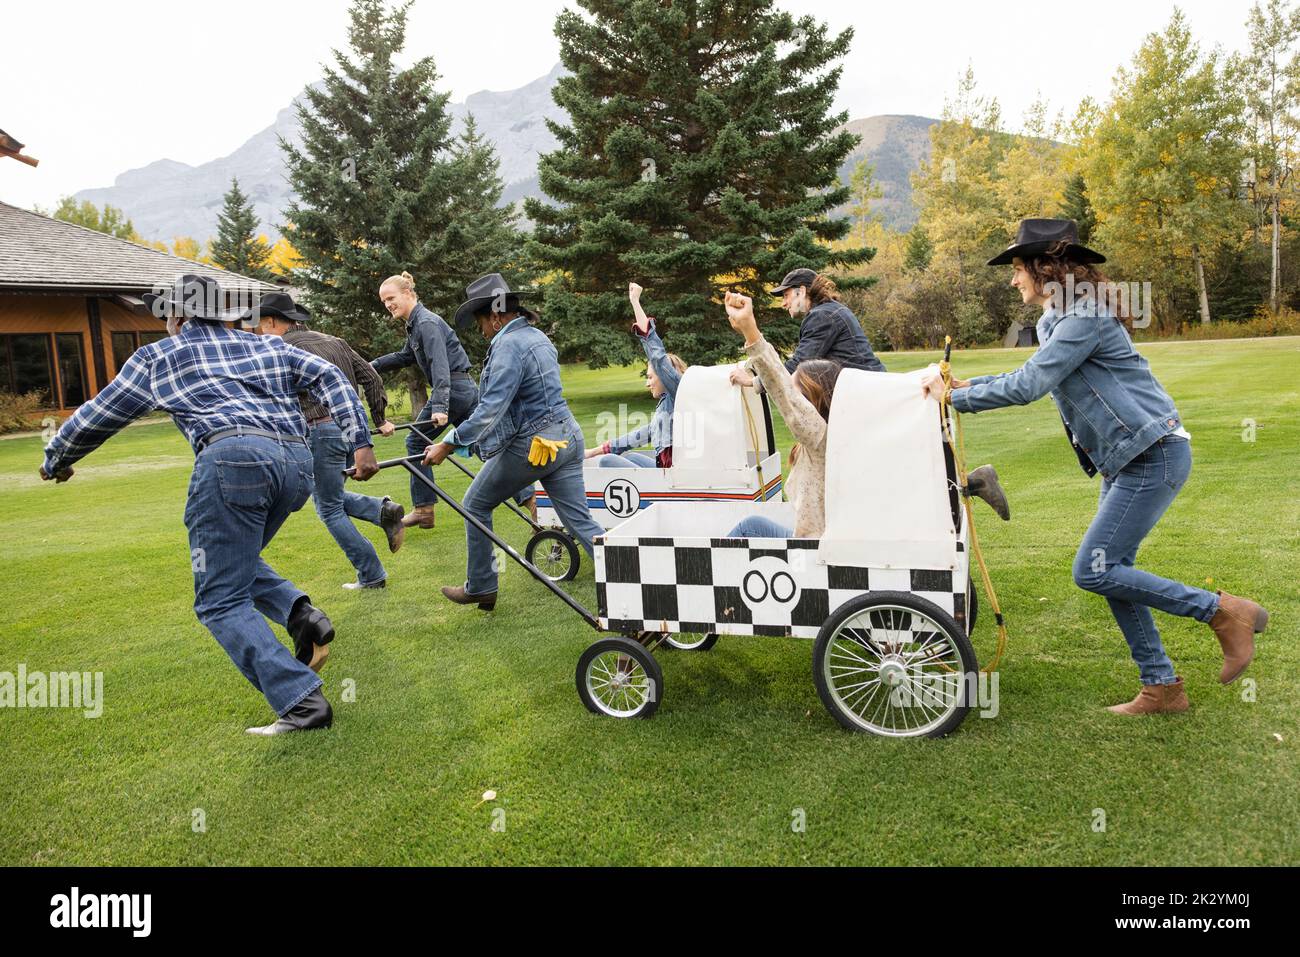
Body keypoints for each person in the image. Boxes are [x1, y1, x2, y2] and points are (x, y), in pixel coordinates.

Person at [921, 218, 1269, 715]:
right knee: (1112, 570)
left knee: (1093, 569)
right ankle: (1162, 688)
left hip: (1153, 454)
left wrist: (957, 397)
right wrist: (964, 386)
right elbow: (1026, 373)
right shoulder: (1057, 320)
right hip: (1128, 460)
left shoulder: (1084, 317)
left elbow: (1029, 386)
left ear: (1046, 268)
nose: (1013, 279)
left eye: (1018, 268)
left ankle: (1222, 612)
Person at [39, 274, 379, 736]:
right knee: (232, 560)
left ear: (176, 317)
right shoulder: (268, 346)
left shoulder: (159, 356)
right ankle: (301, 615)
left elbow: (98, 415)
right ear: (226, 315)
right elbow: (333, 377)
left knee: (219, 597)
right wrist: (360, 441)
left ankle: (301, 701)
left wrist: (56, 459)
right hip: (296, 466)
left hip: (234, 461)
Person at [422, 273, 604, 610]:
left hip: (537, 446)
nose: (481, 331)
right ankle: (633, 578)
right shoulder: (537, 336)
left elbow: (491, 408)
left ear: (494, 316)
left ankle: (481, 586)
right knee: (581, 523)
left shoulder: (507, 345)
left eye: (480, 322)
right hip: (568, 437)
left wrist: (448, 444)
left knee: (475, 504)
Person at [247, 292, 407, 590]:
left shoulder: (278, 349)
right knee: (327, 495)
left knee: (328, 507)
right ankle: (380, 510)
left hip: (319, 431)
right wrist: (379, 418)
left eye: (259, 324)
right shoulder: (336, 341)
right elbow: (372, 378)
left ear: (270, 321)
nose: (258, 331)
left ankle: (371, 574)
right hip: (350, 432)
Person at [371, 270, 535, 527]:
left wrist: (440, 406)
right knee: (487, 448)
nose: (388, 304)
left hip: (454, 390)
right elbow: (405, 357)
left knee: (415, 442)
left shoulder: (426, 323)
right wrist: (369, 367)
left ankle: (424, 509)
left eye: (391, 298)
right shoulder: (416, 325)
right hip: (464, 390)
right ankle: (532, 502)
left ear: (408, 294)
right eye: (384, 301)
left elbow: (439, 365)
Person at [729, 269, 885, 395]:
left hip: (866, 393)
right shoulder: (830, 310)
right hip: (867, 388)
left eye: (786, 295)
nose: (783, 303)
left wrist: (753, 381)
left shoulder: (821, 316)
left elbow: (799, 366)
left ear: (801, 291)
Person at [586, 282, 687, 468]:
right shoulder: (666, 406)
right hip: (665, 470)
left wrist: (635, 301)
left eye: (650, 377)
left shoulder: (678, 393)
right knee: (630, 457)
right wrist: (591, 452)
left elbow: (657, 356)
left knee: (608, 462)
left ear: (665, 377)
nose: (647, 384)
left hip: (674, 477)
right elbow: (635, 437)